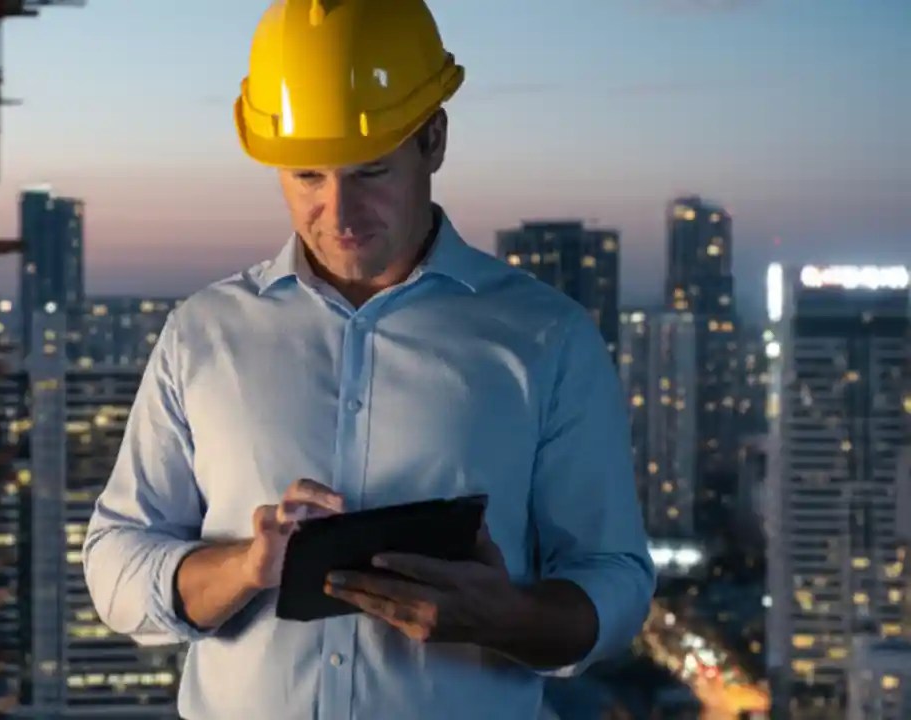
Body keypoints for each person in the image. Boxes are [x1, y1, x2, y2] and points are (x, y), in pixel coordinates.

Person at [82, 0, 657, 717]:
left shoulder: (546, 339)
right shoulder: (203, 334)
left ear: (434, 140)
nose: (340, 213)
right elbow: (114, 564)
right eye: (307, 177)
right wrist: (244, 568)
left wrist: (507, 619)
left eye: (371, 172)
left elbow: (615, 577)